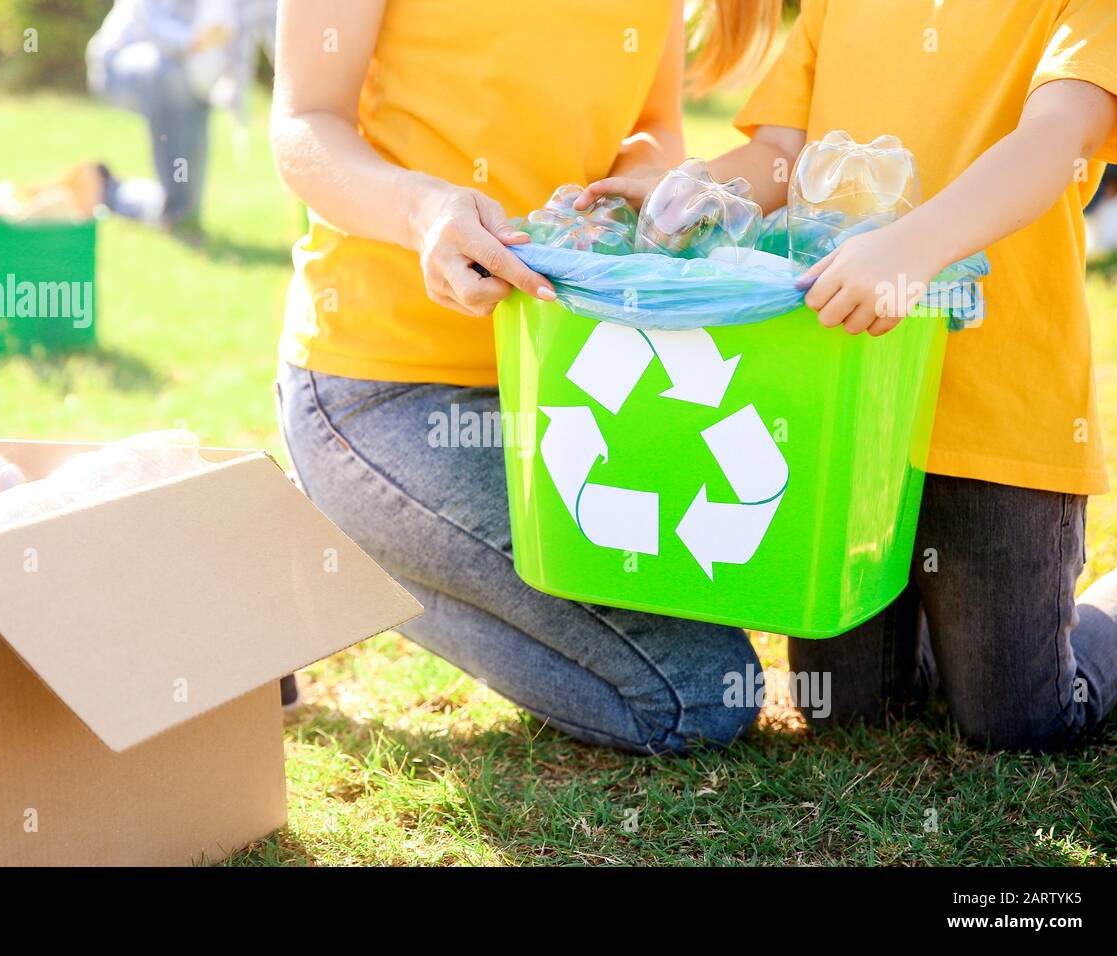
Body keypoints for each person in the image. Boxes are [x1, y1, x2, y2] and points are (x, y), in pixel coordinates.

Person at [583, 0, 1117, 751]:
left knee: (1020, 724)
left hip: (998, 416)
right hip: (854, 415)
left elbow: (1058, 138)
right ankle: (943, 612)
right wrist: (696, 188)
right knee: (847, 708)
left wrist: (912, 249)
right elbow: (779, 153)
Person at [271, 0, 781, 754]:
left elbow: (652, 126)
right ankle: (338, 540)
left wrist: (645, 174)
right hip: (385, 390)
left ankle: (364, 534)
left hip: (566, 392)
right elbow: (304, 124)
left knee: (722, 627)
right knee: (697, 694)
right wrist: (425, 212)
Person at [86, 0, 276, 231]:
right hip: (128, 66)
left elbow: (280, 26)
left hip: (196, 85)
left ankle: (106, 188)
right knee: (171, 74)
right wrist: (198, 41)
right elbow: (151, 25)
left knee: (184, 204)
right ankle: (165, 210)